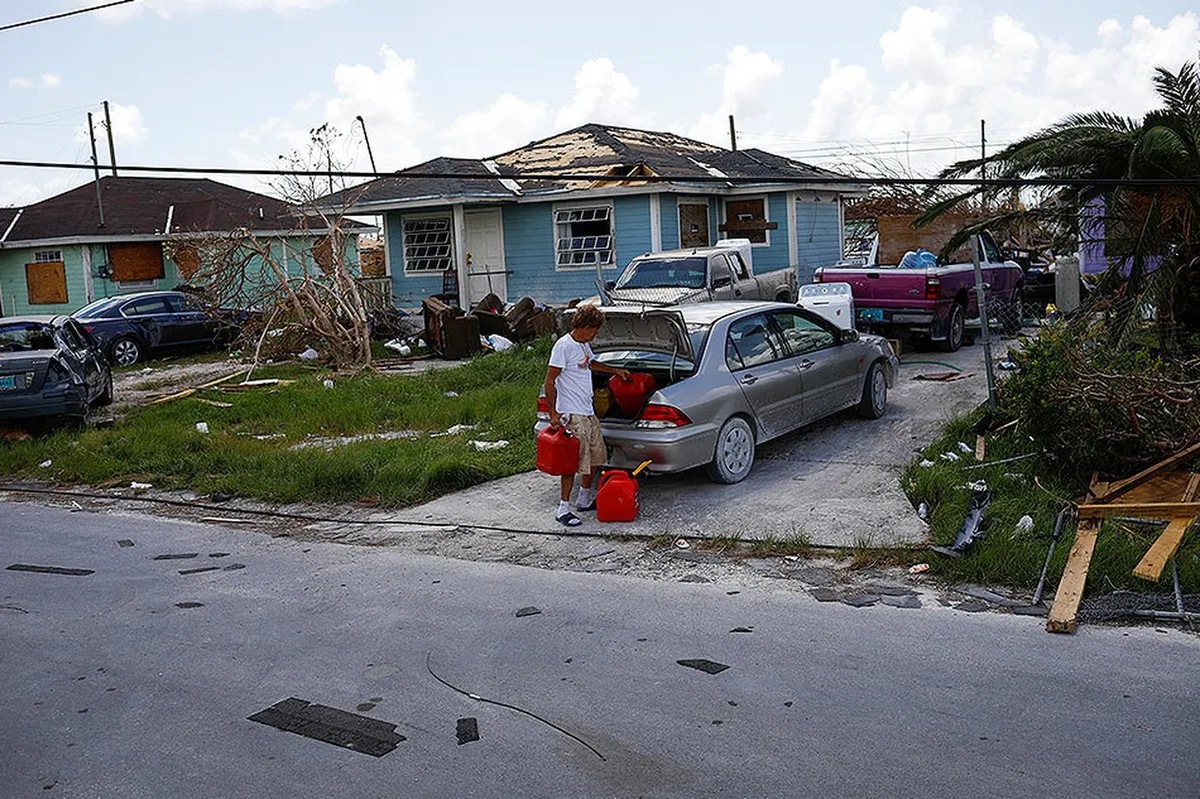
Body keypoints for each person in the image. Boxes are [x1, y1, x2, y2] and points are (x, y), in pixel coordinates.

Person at [544, 304, 629, 527]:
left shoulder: (584, 345)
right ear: (585, 326)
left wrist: (615, 370)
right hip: (572, 414)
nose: (595, 335)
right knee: (571, 464)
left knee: (595, 458)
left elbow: (591, 364)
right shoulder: (563, 346)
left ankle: (583, 499)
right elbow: (550, 380)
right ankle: (563, 509)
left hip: (589, 412)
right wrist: (554, 413)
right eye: (594, 330)